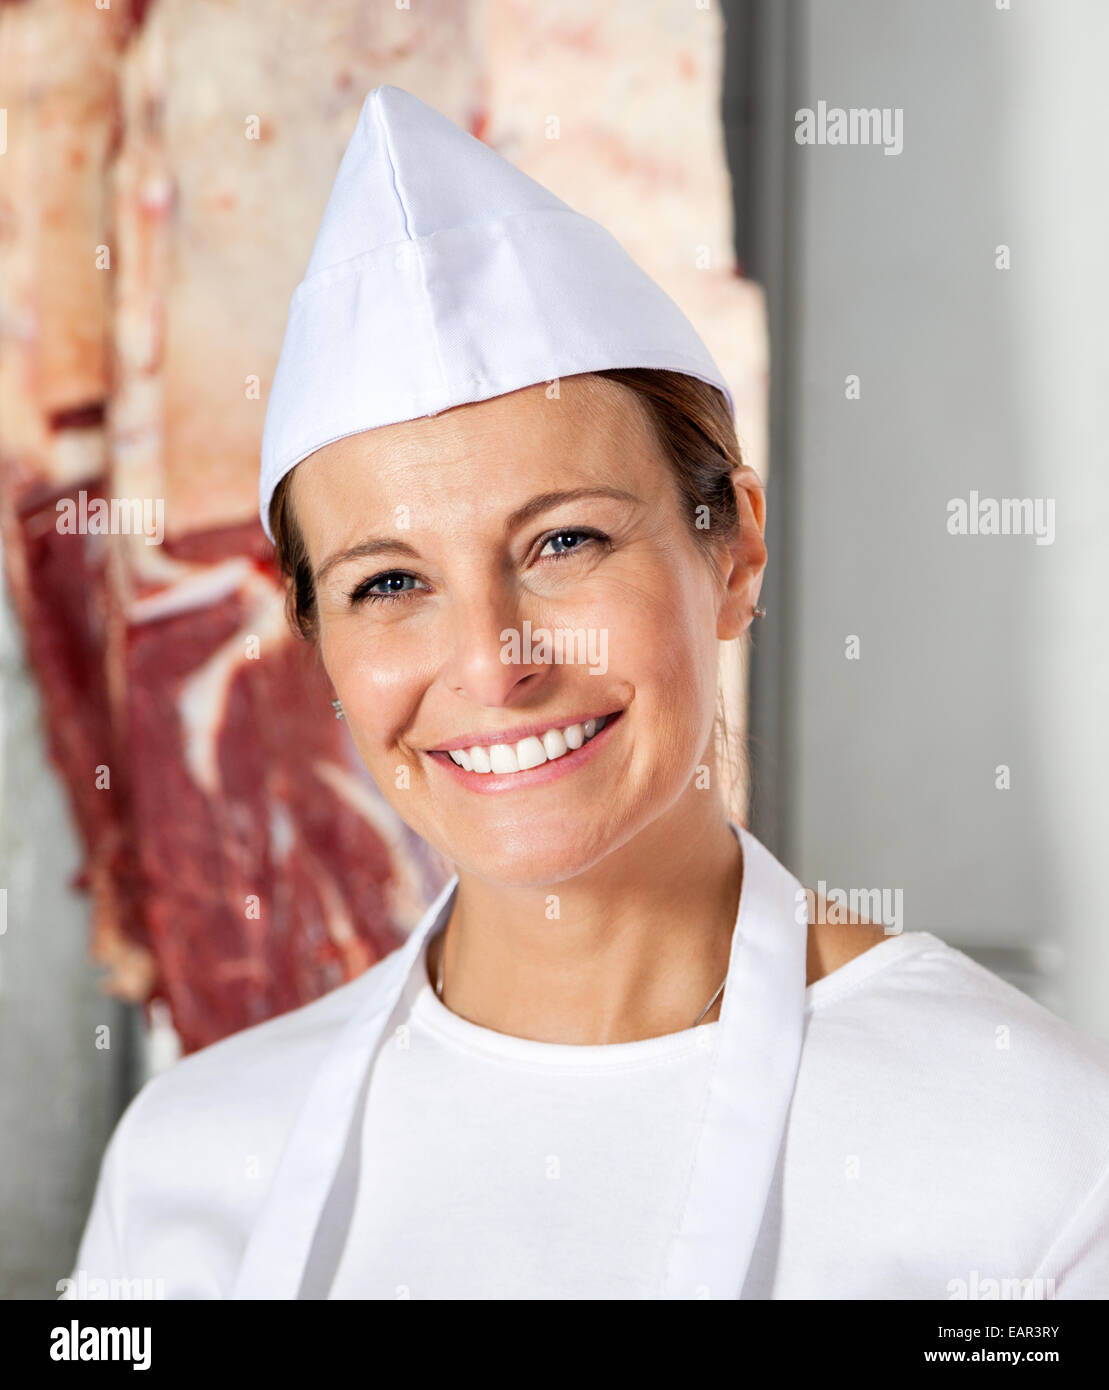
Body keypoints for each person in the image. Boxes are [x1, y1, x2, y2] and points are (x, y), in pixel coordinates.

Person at [68, 87, 1109, 1301]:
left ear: (734, 549)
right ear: (316, 642)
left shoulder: (1030, 1154)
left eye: (563, 543)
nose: (492, 661)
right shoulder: (189, 1164)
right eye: (389, 580)